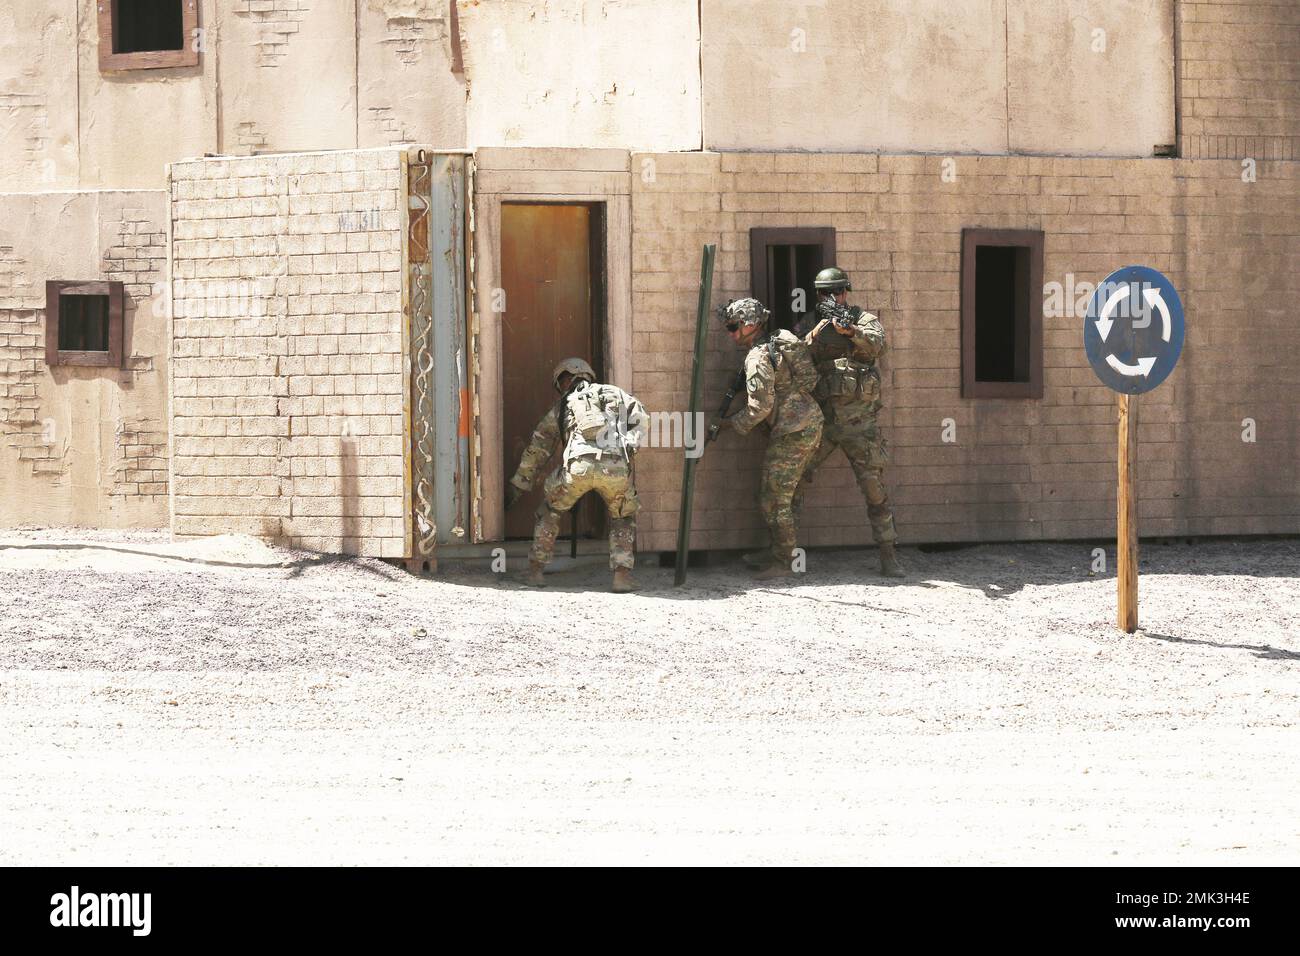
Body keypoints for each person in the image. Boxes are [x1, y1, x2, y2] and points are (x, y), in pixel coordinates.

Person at [792, 266, 904, 577]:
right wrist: (812, 338)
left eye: (839, 291)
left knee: (875, 491)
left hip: (860, 425)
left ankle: (888, 554)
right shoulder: (812, 323)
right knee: (793, 480)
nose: (834, 297)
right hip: (823, 423)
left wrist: (851, 332)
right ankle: (783, 552)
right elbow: (793, 356)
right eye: (828, 293)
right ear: (819, 295)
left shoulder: (862, 319)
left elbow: (880, 345)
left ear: (847, 292)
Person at [506, 358, 646, 593]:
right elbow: (641, 417)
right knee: (623, 515)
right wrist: (629, 449)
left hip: (577, 469)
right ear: (589, 376)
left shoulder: (562, 406)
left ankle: (535, 572)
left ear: (564, 380)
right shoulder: (613, 393)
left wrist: (519, 484)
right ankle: (622, 576)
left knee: (550, 511)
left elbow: (538, 449)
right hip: (616, 469)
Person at [713, 298, 823, 580]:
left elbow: (758, 408)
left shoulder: (758, 358)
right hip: (804, 424)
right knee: (786, 495)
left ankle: (785, 562)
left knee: (774, 498)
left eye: (733, 326)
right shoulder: (774, 344)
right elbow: (808, 380)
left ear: (751, 325)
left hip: (793, 430)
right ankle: (778, 550)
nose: (731, 333)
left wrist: (729, 425)